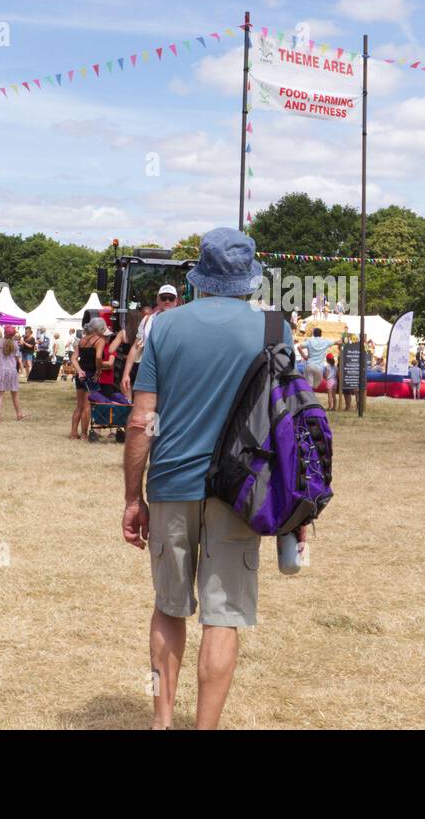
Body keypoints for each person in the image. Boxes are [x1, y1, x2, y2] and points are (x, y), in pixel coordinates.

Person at [123, 227, 284, 730]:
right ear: (249, 278)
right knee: (223, 615)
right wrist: (294, 506)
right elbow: (288, 421)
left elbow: (140, 418)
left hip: (171, 482)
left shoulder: (164, 327)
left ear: (201, 277)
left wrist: (133, 495)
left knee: (169, 609)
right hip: (242, 488)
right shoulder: (272, 328)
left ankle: (162, 720)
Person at [121, 286, 181, 400]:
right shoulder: (147, 320)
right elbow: (135, 347)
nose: (167, 301)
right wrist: (126, 374)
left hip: (173, 375)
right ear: (158, 300)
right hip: (149, 373)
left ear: (176, 301)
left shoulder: (183, 321)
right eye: (164, 298)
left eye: (171, 298)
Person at [70, 318, 107, 439]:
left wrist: (79, 370)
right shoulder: (99, 340)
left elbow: (73, 359)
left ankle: (73, 432)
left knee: (79, 406)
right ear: (99, 329)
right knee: (87, 406)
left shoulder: (81, 341)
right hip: (91, 374)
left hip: (80, 375)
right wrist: (98, 370)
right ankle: (84, 434)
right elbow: (98, 357)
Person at [0, 325, 27, 422]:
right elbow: (18, 357)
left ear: (4, 333)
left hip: (0, 370)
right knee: (15, 394)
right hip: (12, 370)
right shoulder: (15, 344)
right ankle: (19, 414)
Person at [297, 327, 332, 392]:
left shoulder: (310, 341)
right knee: (315, 386)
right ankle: (311, 395)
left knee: (309, 385)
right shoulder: (325, 341)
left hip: (310, 365)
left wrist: (304, 356)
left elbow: (299, 347)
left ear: (313, 334)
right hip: (319, 368)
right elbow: (337, 342)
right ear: (321, 334)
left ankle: (309, 397)